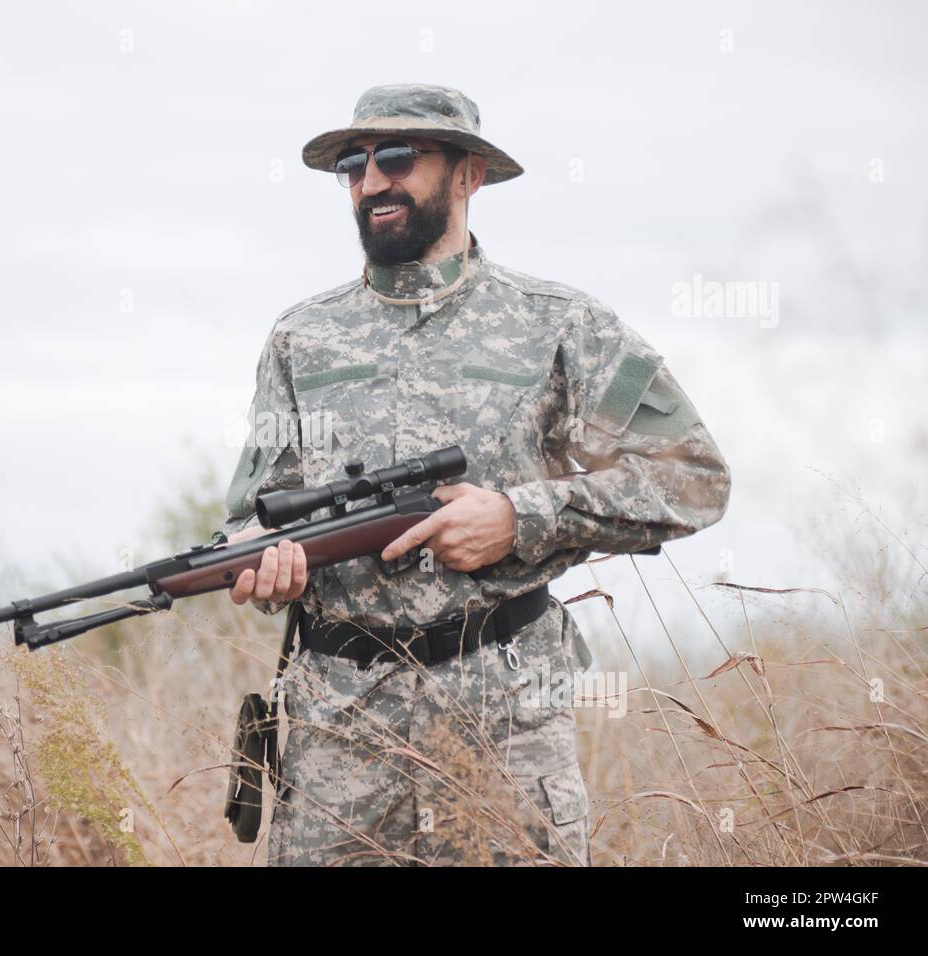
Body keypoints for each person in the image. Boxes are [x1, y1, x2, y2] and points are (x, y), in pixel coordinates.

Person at [221, 83, 730, 866]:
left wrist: (519, 518)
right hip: (336, 738)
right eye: (352, 165)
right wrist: (264, 560)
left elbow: (694, 477)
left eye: (397, 158)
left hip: (504, 724)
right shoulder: (300, 338)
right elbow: (252, 516)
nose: (372, 180)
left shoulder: (561, 324)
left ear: (469, 175)